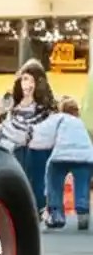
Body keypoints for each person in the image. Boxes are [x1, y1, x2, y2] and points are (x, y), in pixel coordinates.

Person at [0, 59, 57, 215]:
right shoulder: (12, 110)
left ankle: (39, 209)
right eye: (25, 79)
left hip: (39, 151)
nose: (28, 85)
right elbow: (6, 129)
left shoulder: (45, 111)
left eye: (32, 80)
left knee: (39, 180)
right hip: (18, 150)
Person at [38, 97, 93, 231]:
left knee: (54, 179)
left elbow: (47, 136)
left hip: (60, 156)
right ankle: (83, 211)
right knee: (82, 182)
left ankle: (56, 213)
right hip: (84, 157)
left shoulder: (59, 118)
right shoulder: (82, 123)